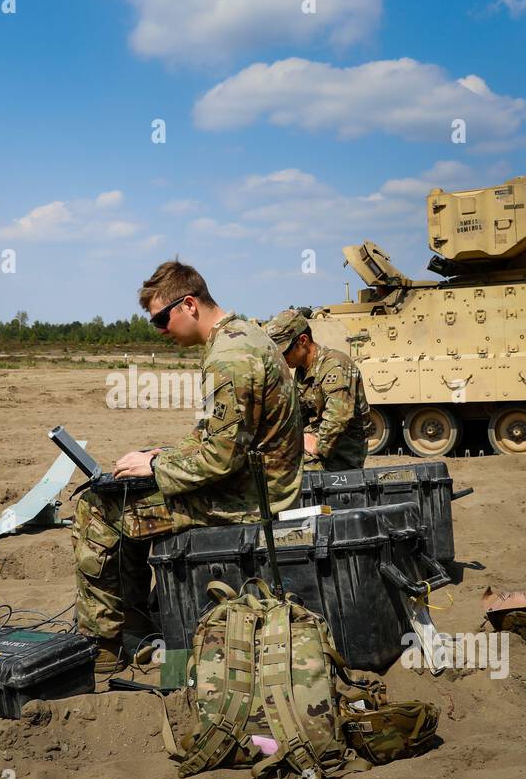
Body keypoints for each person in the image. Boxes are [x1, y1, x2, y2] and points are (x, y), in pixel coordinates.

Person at [72, 261, 303, 675]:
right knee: (124, 491)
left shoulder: (230, 356)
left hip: (246, 499)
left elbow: (220, 458)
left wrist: (157, 466)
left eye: (162, 318)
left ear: (190, 304)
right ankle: (139, 628)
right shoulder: (240, 338)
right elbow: (219, 436)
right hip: (253, 484)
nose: (160, 330)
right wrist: (164, 455)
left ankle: (106, 647)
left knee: (98, 509)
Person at [264, 308, 373, 472]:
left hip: (340, 451)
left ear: (303, 340)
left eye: (284, 352)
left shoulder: (334, 365)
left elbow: (338, 417)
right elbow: (298, 414)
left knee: (280, 472)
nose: (282, 360)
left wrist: (317, 445)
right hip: (318, 440)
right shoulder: (302, 370)